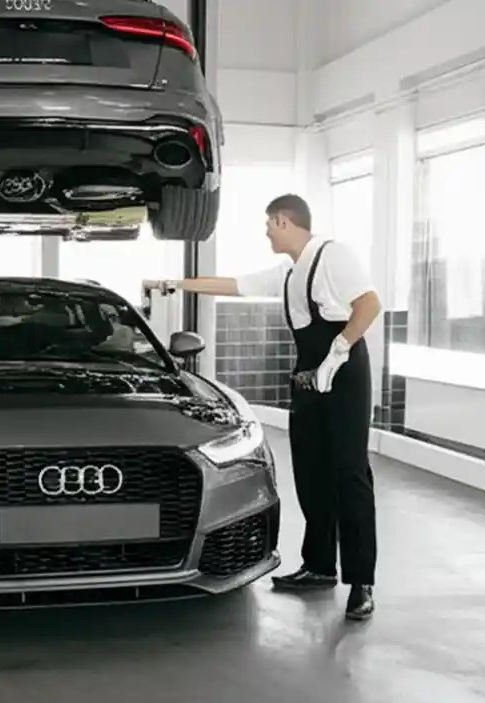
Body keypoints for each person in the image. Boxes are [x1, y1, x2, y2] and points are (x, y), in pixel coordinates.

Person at [144, 193, 382, 621]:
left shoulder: (334, 255)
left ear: (284, 221)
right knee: (311, 472)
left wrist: (338, 352)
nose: (267, 232)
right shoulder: (290, 273)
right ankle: (319, 566)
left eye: (269, 225)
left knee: (349, 473)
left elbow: (369, 305)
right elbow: (236, 284)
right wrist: (176, 284)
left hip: (344, 376)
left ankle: (361, 582)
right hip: (308, 379)